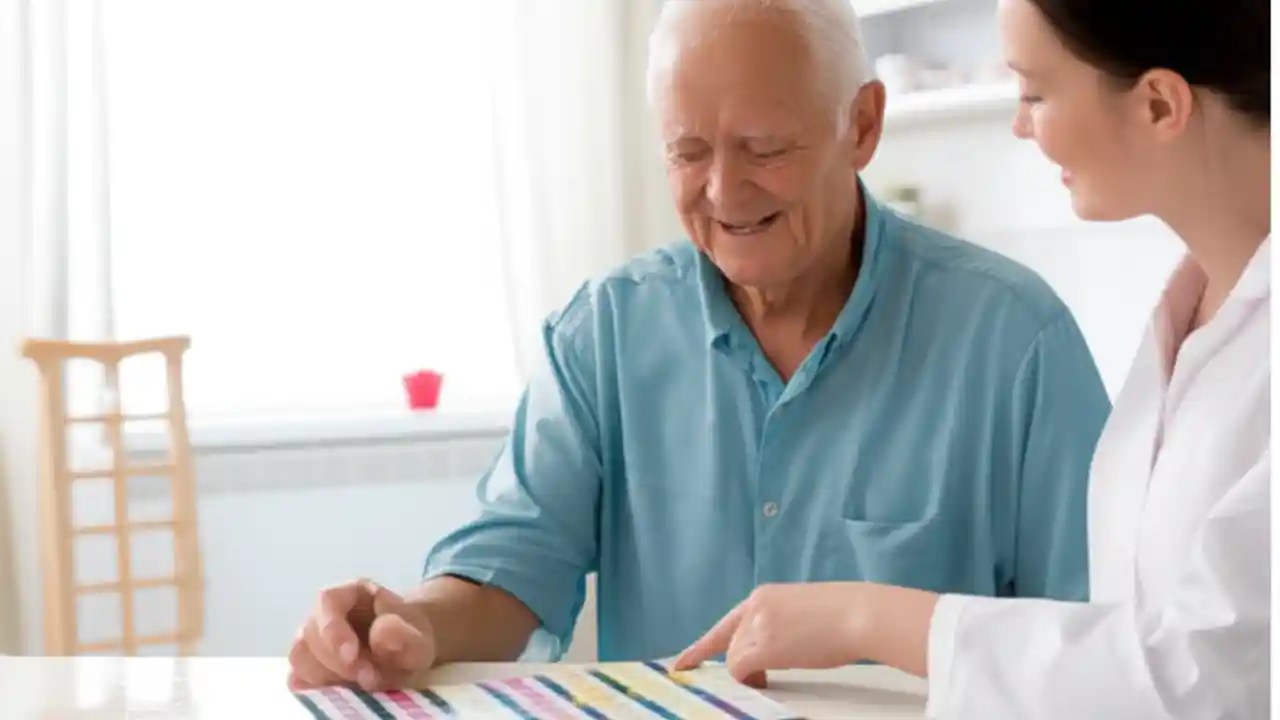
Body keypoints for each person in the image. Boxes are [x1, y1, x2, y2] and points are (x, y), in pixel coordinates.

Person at [286, 0, 1112, 693]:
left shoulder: (1015, 340)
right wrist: (414, 624)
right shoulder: (605, 333)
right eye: (688, 153)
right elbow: (512, 564)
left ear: (862, 125)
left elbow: (1094, 645)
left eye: (764, 149)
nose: (723, 191)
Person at [675, 0, 1271, 717]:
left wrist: (870, 618)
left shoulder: (1025, 329)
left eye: (1035, 93)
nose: (1020, 124)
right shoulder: (1196, 312)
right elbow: (1122, 646)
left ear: (1157, 105)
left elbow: (1210, 675)